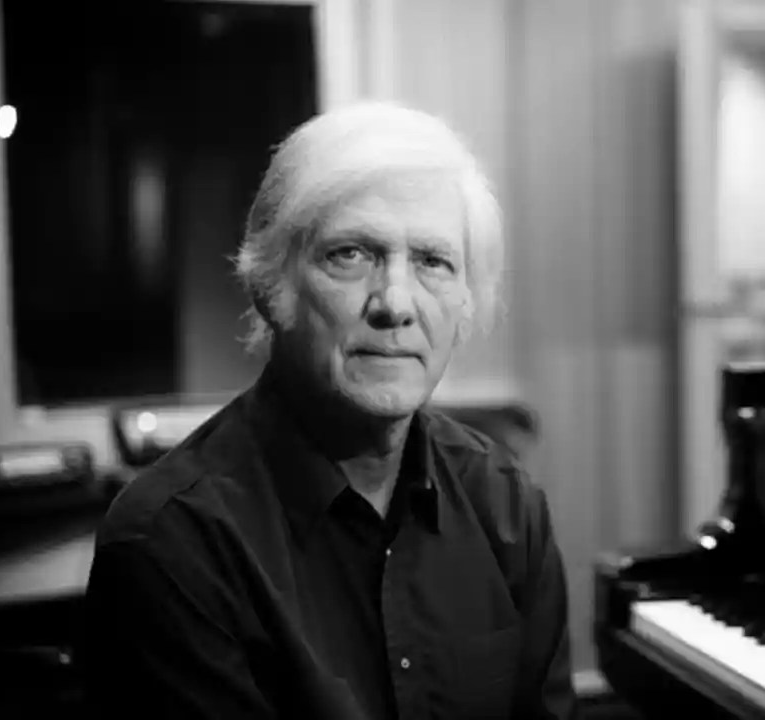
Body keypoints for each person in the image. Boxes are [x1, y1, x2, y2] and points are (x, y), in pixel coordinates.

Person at [82, 102, 576, 720]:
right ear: (272, 287)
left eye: (432, 262)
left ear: (465, 305)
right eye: (351, 255)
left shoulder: (506, 507)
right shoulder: (169, 544)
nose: (396, 304)